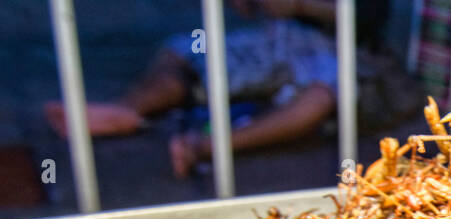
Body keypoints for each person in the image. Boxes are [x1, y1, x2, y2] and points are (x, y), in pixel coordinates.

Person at [44, 0, 388, 178]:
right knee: (183, 50)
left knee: (319, 99)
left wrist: (300, 4)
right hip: (282, 37)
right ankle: (125, 110)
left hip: (343, 47)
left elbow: (369, 16)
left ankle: (206, 147)